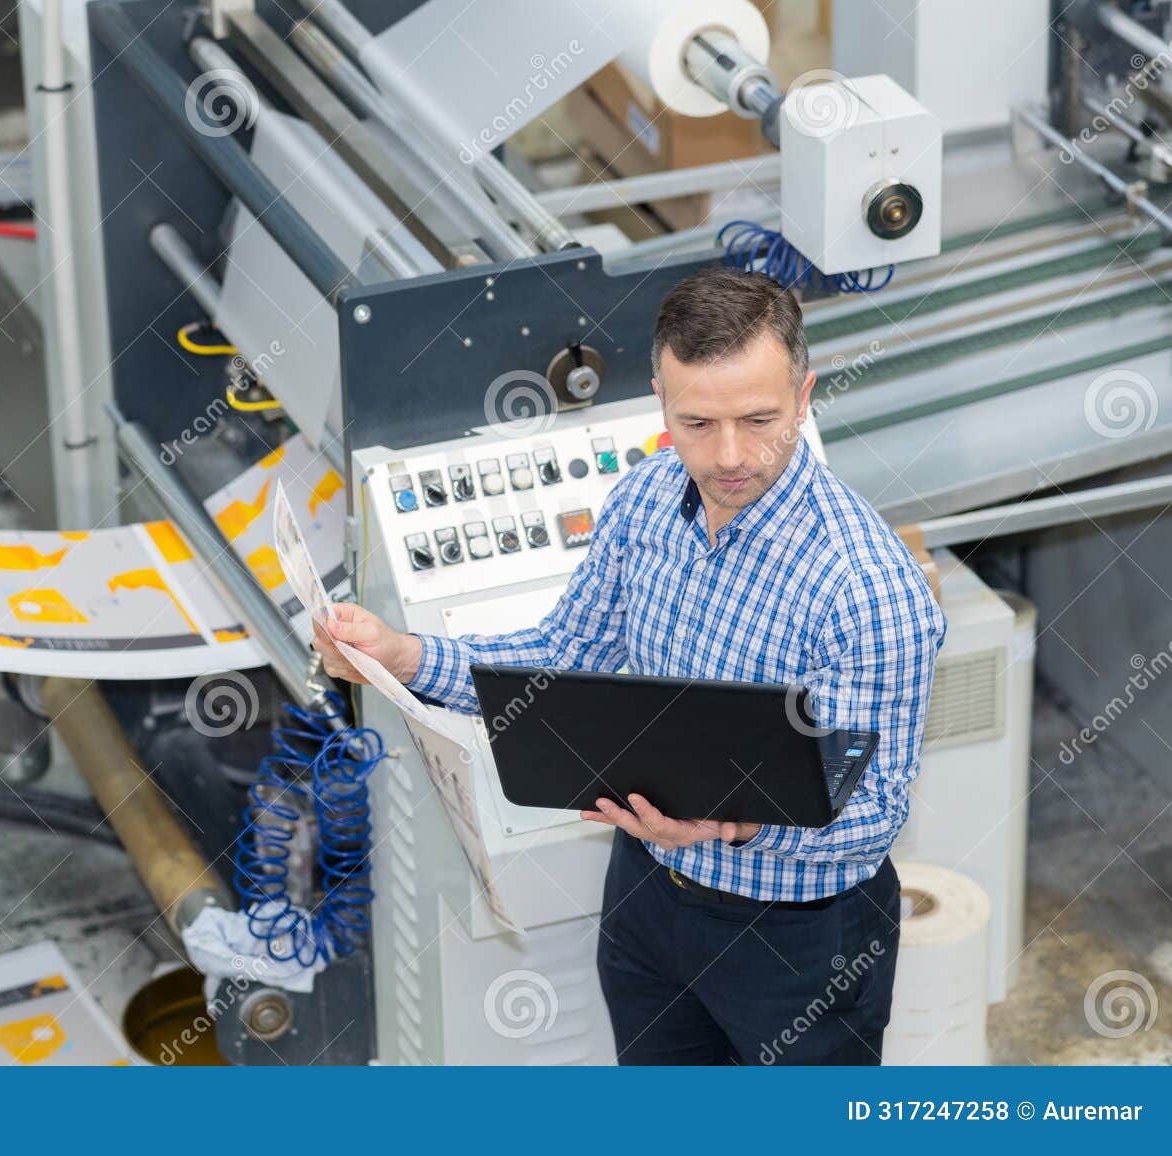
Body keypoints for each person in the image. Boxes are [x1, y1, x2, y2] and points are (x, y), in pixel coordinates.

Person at [310, 266, 947, 1065]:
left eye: (759, 419)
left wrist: (730, 826)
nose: (729, 456)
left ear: (806, 393)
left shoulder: (867, 591)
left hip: (796, 943)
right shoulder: (645, 500)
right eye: (697, 423)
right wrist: (402, 655)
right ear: (658, 400)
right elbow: (559, 660)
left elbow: (877, 814)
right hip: (648, 900)